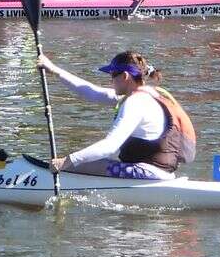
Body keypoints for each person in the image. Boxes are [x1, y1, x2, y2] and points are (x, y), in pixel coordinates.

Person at [35, 50, 198, 179]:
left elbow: (110, 146)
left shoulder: (135, 103)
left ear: (125, 76)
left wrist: (66, 161)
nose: (110, 80)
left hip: (147, 174)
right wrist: (54, 70)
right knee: (87, 162)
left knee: (79, 164)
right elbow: (93, 92)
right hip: (163, 173)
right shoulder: (151, 95)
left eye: (113, 75)